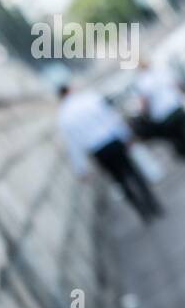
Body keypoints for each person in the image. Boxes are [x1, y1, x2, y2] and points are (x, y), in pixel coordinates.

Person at [56, 84, 162, 222]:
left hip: (99, 151)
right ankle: (152, 203)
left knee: (119, 180)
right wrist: (126, 135)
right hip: (112, 142)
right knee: (133, 172)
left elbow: (74, 145)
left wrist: (80, 169)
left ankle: (141, 210)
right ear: (70, 90)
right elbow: (111, 118)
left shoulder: (64, 116)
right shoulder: (89, 99)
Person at [134, 60, 185, 170]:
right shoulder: (161, 71)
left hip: (163, 117)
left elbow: (144, 104)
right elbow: (177, 85)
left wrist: (143, 114)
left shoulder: (142, 82)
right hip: (176, 108)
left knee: (178, 140)